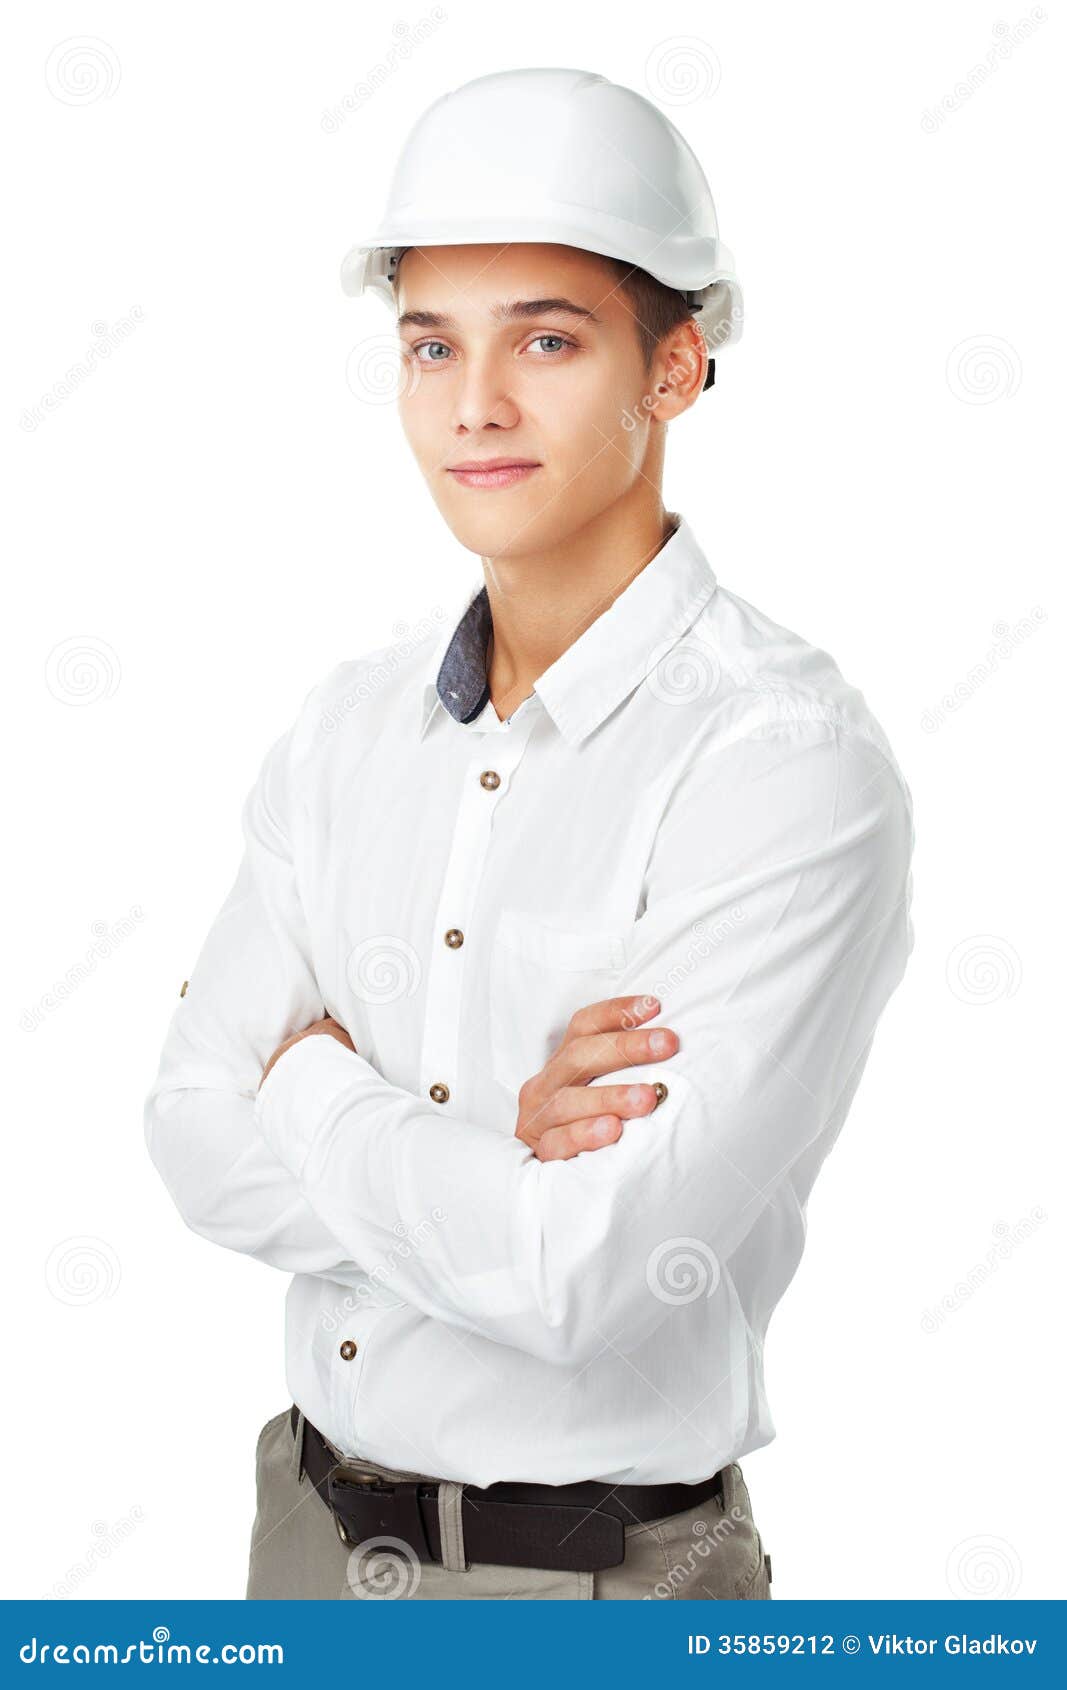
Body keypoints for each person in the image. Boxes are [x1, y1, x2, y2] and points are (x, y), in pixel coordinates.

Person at [144, 66, 914, 1601]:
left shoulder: (782, 765)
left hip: (596, 1589)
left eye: (546, 340)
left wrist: (310, 1074)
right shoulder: (349, 732)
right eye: (432, 345)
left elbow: (586, 1277)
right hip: (304, 1546)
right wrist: (495, 1142)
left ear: (675, 367)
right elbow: (188, 1136)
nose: (472, 405)